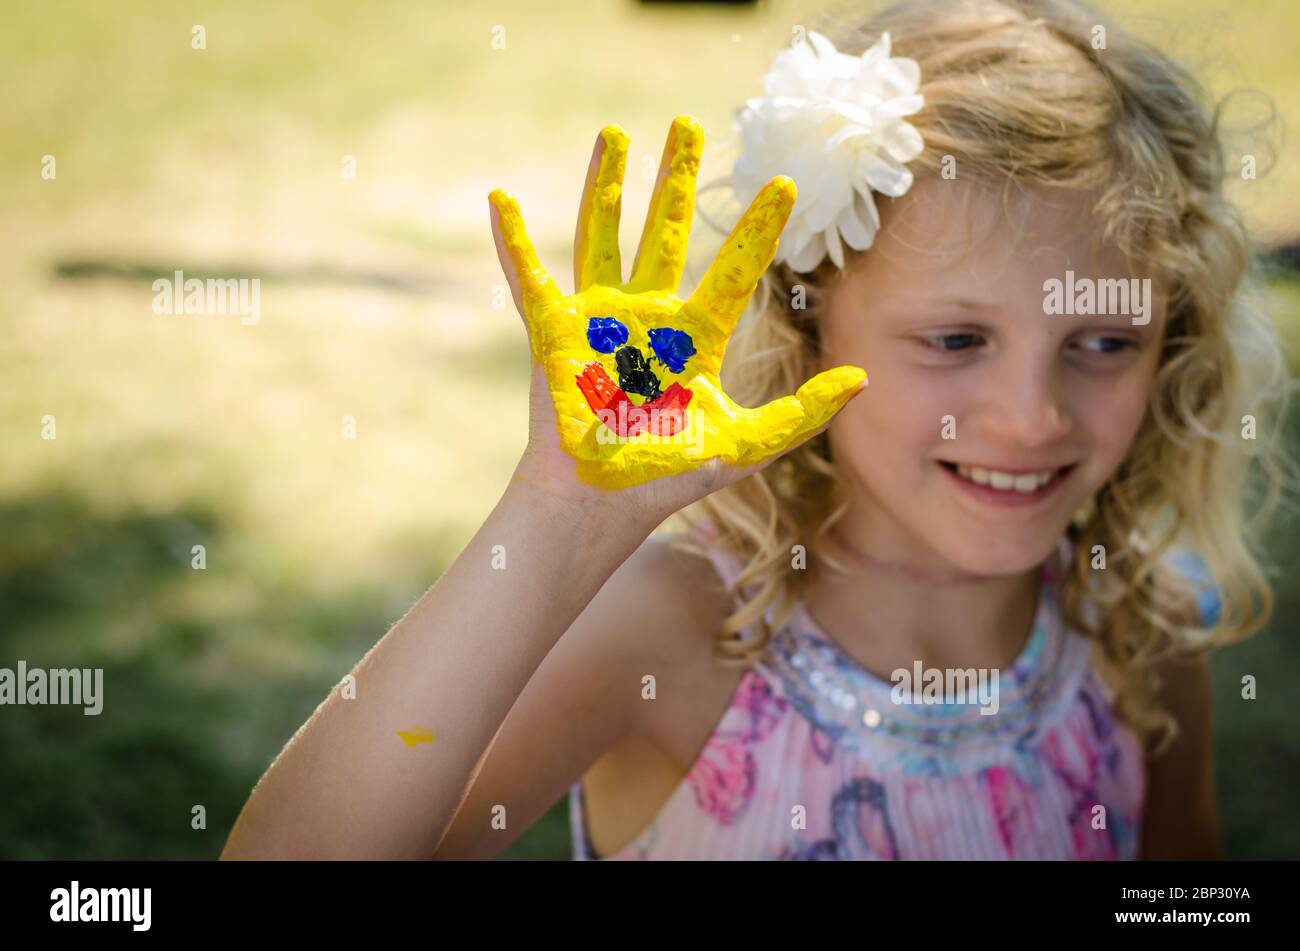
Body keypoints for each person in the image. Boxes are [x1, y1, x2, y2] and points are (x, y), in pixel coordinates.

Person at [222, 0, 1290, 860]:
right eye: (956, 339)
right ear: (808, 321)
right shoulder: (678, 635)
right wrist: (555, 518)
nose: (1031, 416)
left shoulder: (1137, 635)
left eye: (1102, 344)